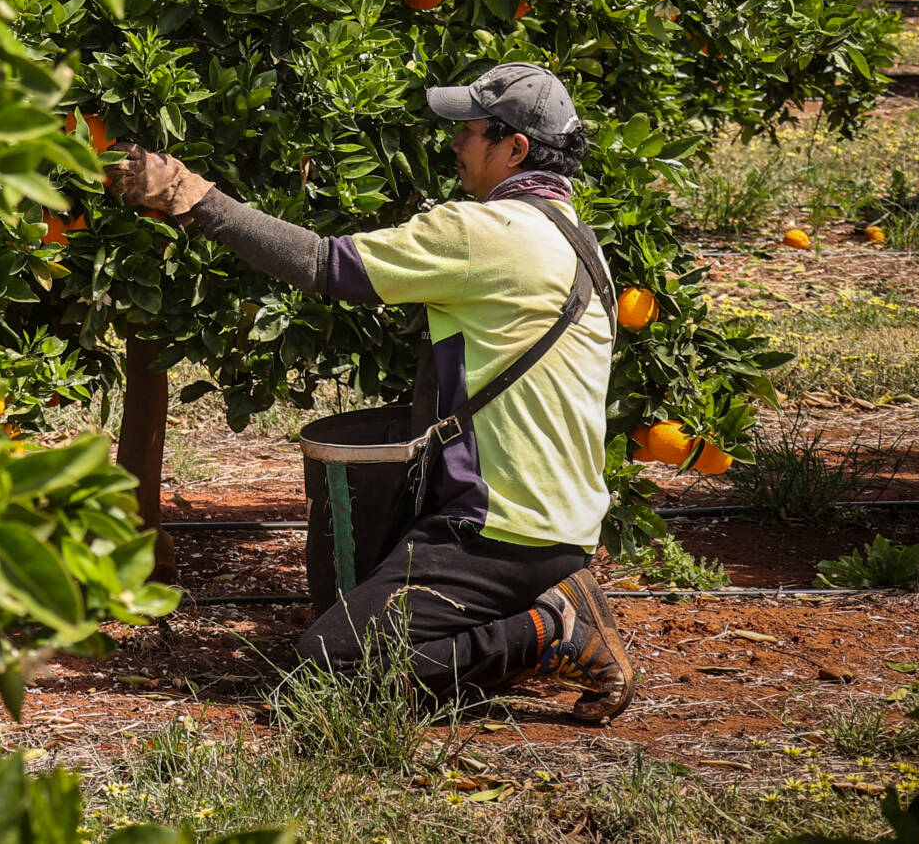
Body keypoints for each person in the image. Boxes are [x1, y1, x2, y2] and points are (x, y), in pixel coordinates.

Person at [105, 61, 634, 722]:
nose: (455, 142)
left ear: (515, 148)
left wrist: (194, 196)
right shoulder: (578, 240)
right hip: (564, 525)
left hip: (497, 530)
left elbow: (324, 264)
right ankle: (545, 602)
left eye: (470, 131)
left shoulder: (487, 233)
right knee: (360, 644)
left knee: (326, 673)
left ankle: (549, 630)